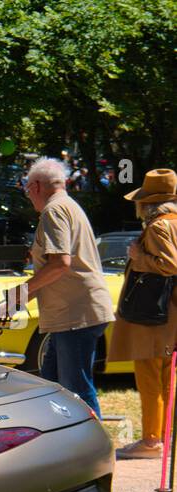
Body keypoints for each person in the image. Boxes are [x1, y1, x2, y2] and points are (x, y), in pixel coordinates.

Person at [0, 158, 113, 416]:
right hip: (74, 314)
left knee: (75, 391)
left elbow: (59, 264)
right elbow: (56, 267)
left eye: (27, 190)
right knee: (52, 387)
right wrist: (15, 301)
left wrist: (17, 296)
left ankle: (93, 451)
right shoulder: (69, 206)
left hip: (74, 315)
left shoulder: (53, 211)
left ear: (36, 186)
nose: (28, 197)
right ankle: (62, 446)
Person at [108, 169, 177, 458]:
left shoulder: (159, 226)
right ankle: (162, 437)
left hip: (154, 316)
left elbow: (170, 264)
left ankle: (151, 441)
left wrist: (139, 258)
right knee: (165, 378)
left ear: (146, 203)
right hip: (169, 314)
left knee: (149, 377)